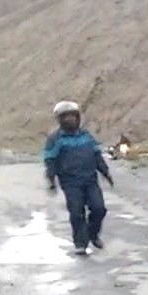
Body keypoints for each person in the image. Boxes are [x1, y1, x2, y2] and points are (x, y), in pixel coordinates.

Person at [44, 101, 113, 255]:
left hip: (90, 179)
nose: (70, 119)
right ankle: (80, 243)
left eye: (73, 116)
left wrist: (106, 173)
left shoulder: (86, 135)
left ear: (78, 117)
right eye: (65, 117)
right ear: (59, 119)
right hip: (70, 182)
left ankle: (93, 234)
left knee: (99, 209)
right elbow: (50, 160)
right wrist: (51, 181)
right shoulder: (55, 138)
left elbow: (96, 155)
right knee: (76, 212)